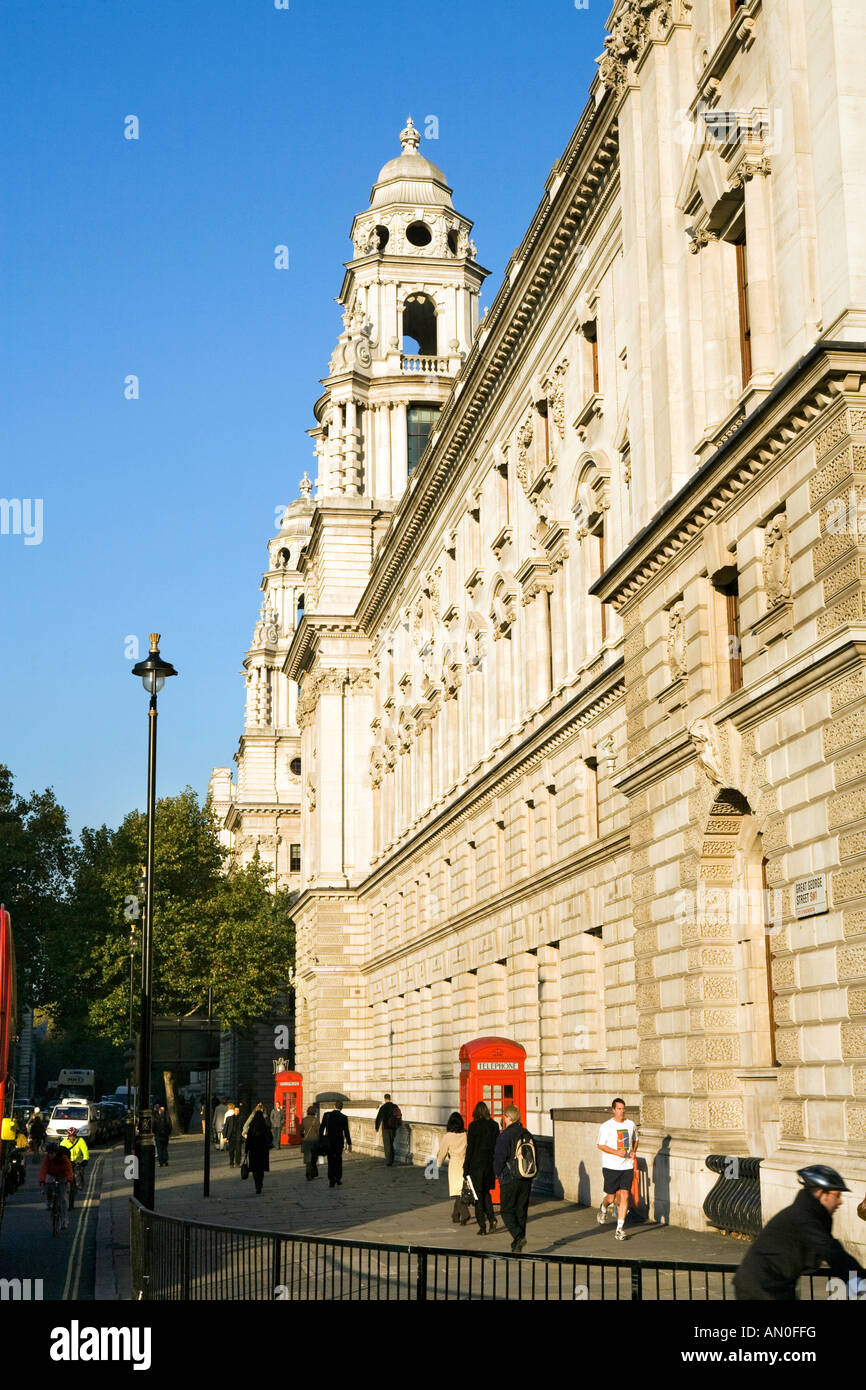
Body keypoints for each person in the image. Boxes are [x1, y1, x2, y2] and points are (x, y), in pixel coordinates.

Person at [734, 1165, 866, 1300]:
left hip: (774, 1286)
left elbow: (832, 1249)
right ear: (821, 1193)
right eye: (837, 1195)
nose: (840, 1201)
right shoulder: (804, 1218)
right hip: (761, 1288)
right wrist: (861, 1286)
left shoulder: (810, 1215)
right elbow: (831, 1251)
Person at [494, 1104, 534, 1253]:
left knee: (506, 1210)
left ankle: (518, 1236)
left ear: (508, 1118)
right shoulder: (526, 1133)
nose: (503, 1119)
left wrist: (497, 1174)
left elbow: (499, 1158)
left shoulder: (505, 1135)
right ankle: (518, 1242)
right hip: (526, 1177)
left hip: (509, 1177)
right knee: (521, 1210)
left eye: (504, 1116)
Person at [596, 1097, 638, 1241]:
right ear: (614, 1110)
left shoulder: (630, 1124)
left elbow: (635, 1139)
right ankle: (603, 1206)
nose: (621, 1111)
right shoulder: (606, 1126)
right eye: (619, 1109)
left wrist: (633, 1151)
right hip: (611, 1166)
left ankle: (619, 1229)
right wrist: (616, 1152)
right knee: (611, 1197)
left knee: (625, 1195)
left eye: (623, 1108)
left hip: (627, 1166)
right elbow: (600, 1145)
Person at [463, 1101, 499, 1236]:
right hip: (489, 1165)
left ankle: (482, 1226)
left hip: (476, 1166)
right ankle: (492, 1219)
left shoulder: (473, 1126)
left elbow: (470, 1149)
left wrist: (465, 1168)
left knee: (477, 1196)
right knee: (486, 1193)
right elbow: (497, 1147)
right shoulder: (494, 1125)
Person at [437, 1112, 470, 1225]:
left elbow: (442, 1152)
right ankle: (455, 1215)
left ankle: (465, 1214)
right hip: (465, 1163)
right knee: (460, 1189)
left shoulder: (448, 1136)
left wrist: (438, 1164)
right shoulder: (465, 1134)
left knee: (457, 1191)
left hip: (455, 1164)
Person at [39, 1142, 74, 1229]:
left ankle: (64, 1220)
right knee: (47, 1186)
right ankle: (49, 1200)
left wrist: (69, 1182)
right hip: (51, 1174)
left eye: (51, 1153)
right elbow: (43, 1169)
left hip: (62, 1176)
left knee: (63, 1199)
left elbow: (69, 1170)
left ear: (56, 1152)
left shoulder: (64, 1158)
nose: (49, 1155)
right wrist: (42, 1181)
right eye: (48, 1153)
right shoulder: (48, 1159)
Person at [319, 1100, 352, 1188]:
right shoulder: (344, 1117)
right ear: (341, 1108)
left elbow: (322, 1128)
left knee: (330, 1160)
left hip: (329, 1141)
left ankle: (331, 1180)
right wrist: (349, 1143)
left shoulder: (327, 1115)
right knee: (338, 1159)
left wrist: (320, 1139)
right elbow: (346, 1132)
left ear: (334, 1106)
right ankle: (338, 1177)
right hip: (339, 1141)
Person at [243, 1103, 273, 1194]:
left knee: (255, 1169)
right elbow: (271, 1137)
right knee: (261, 1169)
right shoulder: (265, 1126)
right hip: (263, 1151)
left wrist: (246, 1151)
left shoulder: (252, 1128)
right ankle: (260, 1183)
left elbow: (248, 1140)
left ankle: (257, 1185)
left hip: (253, 1151)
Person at [60, 1128, 89, 1208]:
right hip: (67, 1162)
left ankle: (78, 1185)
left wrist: (85, 1160)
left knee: (78, 1175)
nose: (72, 1137)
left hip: (77, 1161)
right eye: (70, 1136)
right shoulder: (64, 1142)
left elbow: (85, 1151)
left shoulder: (80, 1141)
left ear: (76, 1135)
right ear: (68, 1136)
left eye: (73, 1136)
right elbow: (60, 1152)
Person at [375, 1093, 402, 1167]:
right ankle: (392, 1159)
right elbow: (398, 1116)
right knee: (391, 1143)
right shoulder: (395, 1106)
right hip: (393, 1128)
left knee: (387, 1145)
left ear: (385, 1099)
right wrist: (399, 1125)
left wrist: (377, 1127)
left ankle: (389, 1161)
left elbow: (379, 1118)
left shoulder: (383, 1107)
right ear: (390, 1098)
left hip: (386, 1128)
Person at [300, 1105, 320, 1180]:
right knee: (314, 1159)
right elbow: (319, 1132)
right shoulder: (316, 1120)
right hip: (315, 1141)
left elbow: (301, 1131)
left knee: (308, 1159)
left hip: (307, 1141)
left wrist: (303, 1137)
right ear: (314, 1112)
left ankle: (308, 1174)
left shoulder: (304, 1120)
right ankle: (313, 1173)